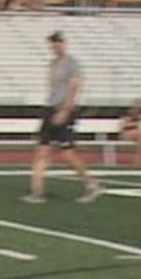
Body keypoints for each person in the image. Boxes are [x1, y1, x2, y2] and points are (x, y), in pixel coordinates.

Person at [24, 30, 102, 204]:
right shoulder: (53, 64)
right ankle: (37, 191)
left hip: (63, 110)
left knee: (67, 153)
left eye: (58, 42)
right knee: (42, 150)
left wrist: (65, 110)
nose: (55, 45)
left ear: (64, 43)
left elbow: (75, 87)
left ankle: (91, 184)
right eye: (53, 43)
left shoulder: (71, 63)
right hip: (50, 108)